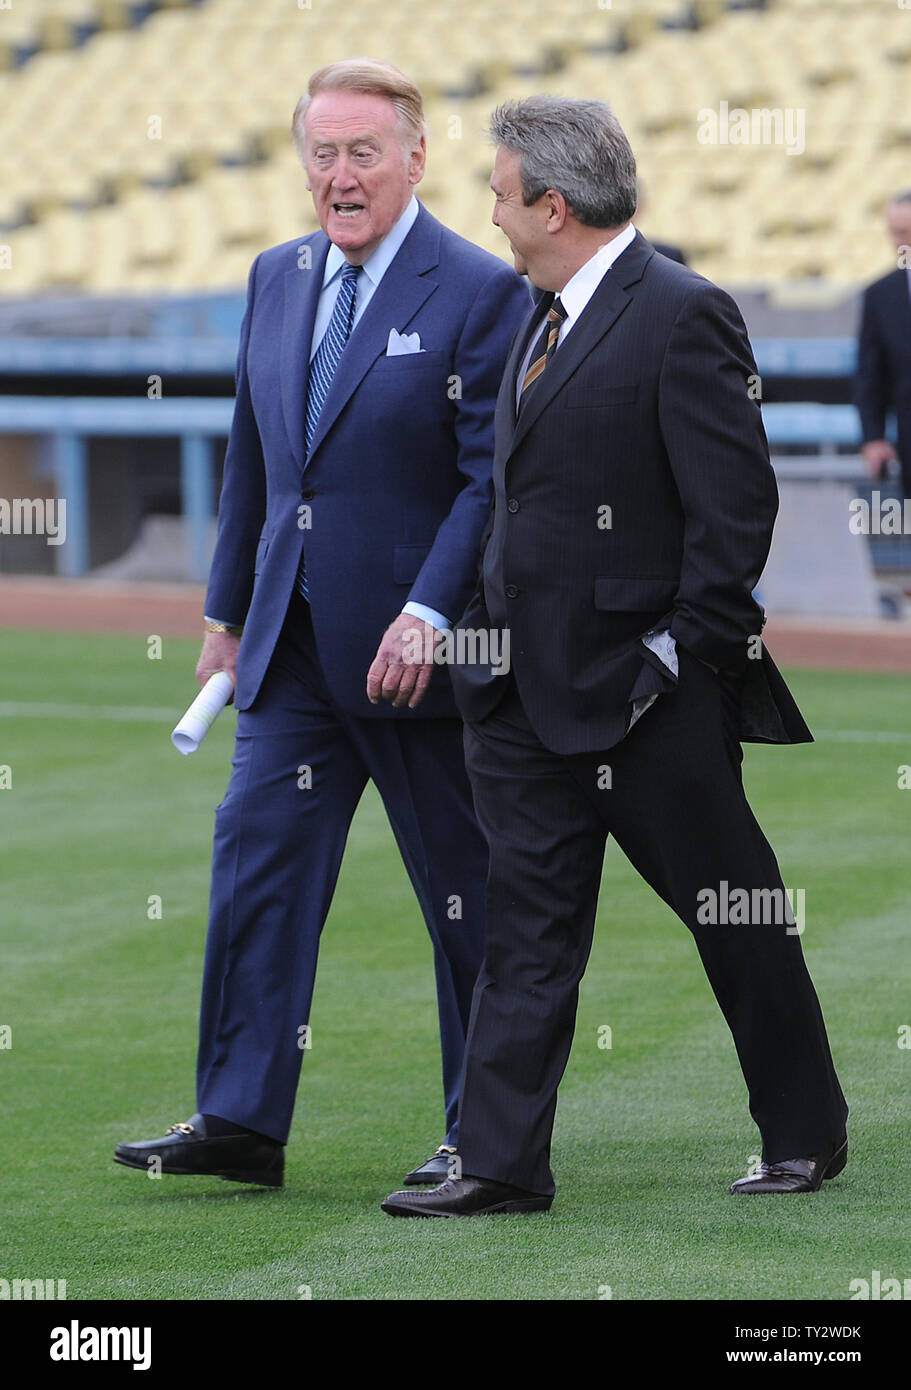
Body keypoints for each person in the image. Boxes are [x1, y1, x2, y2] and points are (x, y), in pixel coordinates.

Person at [382, 95, 848, 1218]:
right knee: (523, 931)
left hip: (646, 701)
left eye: (498, 194)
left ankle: (802, 1132)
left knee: (734, 911)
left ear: (551, 203)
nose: (489, 215)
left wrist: (676, 658)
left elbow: (732, 512)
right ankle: (498, 1162)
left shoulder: (683, 311)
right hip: (516, 700)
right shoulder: (530, 310)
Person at [114, 59, 531, 1190]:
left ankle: (480, 1135)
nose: (338, 176)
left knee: (464, 896)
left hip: (416, 657)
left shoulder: (480, 290)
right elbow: (256, 462)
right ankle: (240, 1118)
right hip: (288, 648)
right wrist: (222, 614)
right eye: (321, 153)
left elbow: (484, 482)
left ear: (413, 158)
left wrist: (430, 610)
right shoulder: (277, 274)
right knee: (256, 869)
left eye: (361, 153)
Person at [855, 190, 911, 500]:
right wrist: (873, 437)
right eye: (893, 232)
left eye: (904, 232)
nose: (896, 242)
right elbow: (870, 375)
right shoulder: (880, 295)